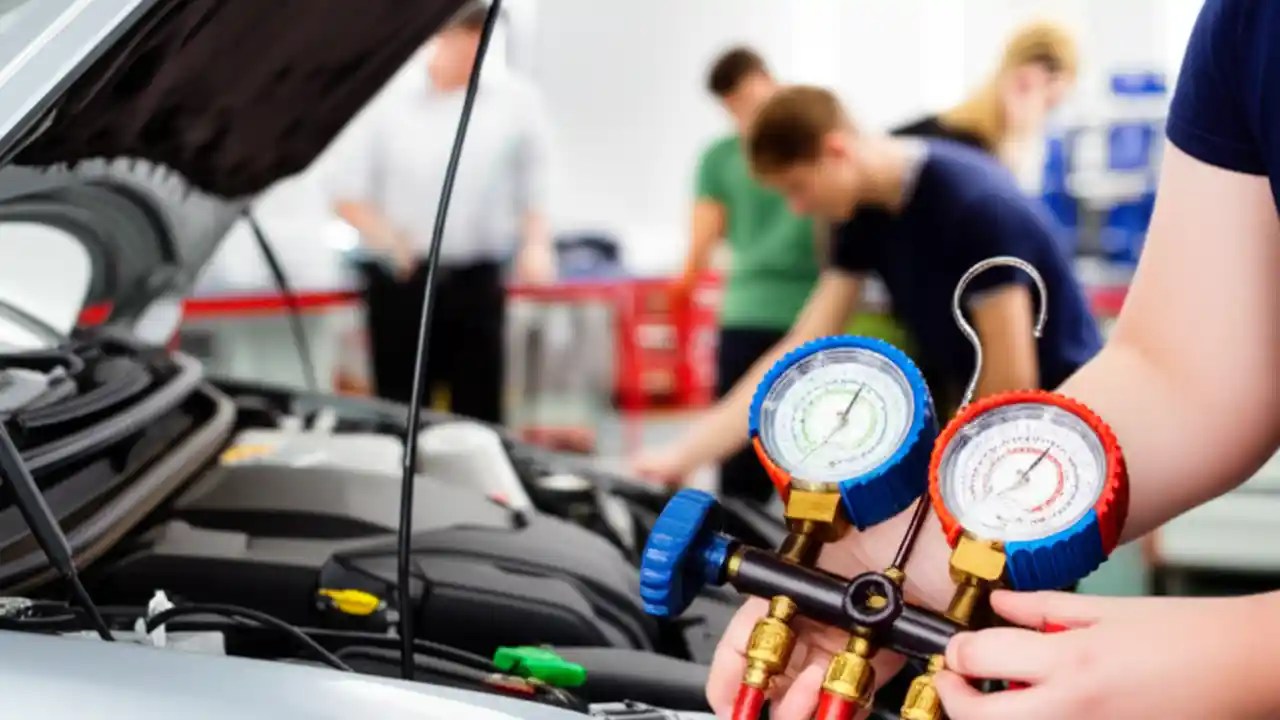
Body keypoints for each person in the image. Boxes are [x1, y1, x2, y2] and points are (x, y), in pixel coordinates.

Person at [705, 1, 1280, 718]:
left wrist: (1246, 653)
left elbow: (1013, 376)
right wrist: (911, 560)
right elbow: (1184, 370)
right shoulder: (1244, 22)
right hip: (1039, 450)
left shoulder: (971, 204)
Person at [635, 85, 1101, 487]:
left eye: (798, 187)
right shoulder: (862, 215)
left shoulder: (973, 207)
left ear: (836, 150)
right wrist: (684, 457)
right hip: (985, 411)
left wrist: (958, 489)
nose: (797, 208)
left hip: (1058, 419)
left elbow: (1011, 379)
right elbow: (799, 347)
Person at [332, 1, 554, 423]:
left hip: (477, 279)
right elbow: (345, 192)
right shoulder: (386, 102)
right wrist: (390, 242)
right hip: (403, 280)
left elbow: (535, 187)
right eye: (464, 40)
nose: (473, 54)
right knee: (402, 409)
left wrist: (536, 245)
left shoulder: (516, 103)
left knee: (480, 413)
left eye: (482, 42)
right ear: (438, 37)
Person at [676, 47, 824, 503]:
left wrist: (683, 284)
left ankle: (736, 557)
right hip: (808, 309)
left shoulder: (723, 157)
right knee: (812, 449)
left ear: (767, 79)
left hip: (771, 310)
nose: (743, 113)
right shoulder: (813, 142)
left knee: (746, 457)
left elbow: (702, 242)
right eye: (734, 107)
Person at [895, 19, 1077, 178]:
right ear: (1023, 83)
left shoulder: (962, 143)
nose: (1043, 120)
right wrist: (1017, 138)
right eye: (1048, 106)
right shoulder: (959, 154)